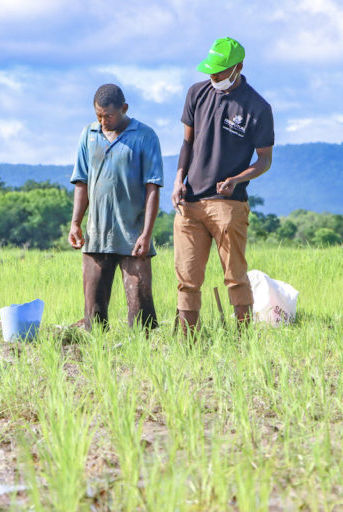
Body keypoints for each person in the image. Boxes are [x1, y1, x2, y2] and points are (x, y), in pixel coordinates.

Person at [171, 37, 274, 333]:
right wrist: (179, 180)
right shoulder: (196, 93)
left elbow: (265, 160)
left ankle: (243, 340)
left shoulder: (258, 108)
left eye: (218, 72)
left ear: (237, 67)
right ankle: (187, 342)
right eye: (210, 71)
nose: (212, 77)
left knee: (235, 276)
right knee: (187, 278)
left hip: (229, 205)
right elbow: (187, 143)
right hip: (190, 203)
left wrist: (238, 179)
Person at [68, 83, 163, 330]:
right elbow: (82, 182)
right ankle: (98, 355)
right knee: (94, 312)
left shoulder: (145, 136)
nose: (103, 121)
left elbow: (153, 187)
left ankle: (143, 356)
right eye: (98, 115)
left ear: (124, 108)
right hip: (97, 234)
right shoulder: (89, 135)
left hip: (133, 234)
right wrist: (76, 222)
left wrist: (146, 233)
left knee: (140, 306)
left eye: (108, 115)